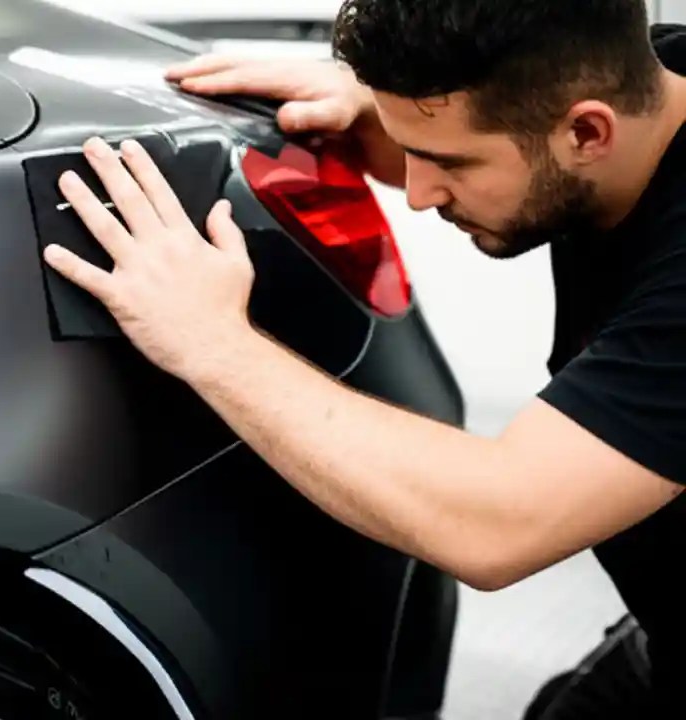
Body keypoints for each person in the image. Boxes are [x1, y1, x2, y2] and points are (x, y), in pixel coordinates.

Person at [39, 1, 686, 717]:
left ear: (589, 130)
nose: (415, 194)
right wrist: (376, 107)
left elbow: (500, 520)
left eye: (447, 162)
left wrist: (213, 341)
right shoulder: (640, 72)